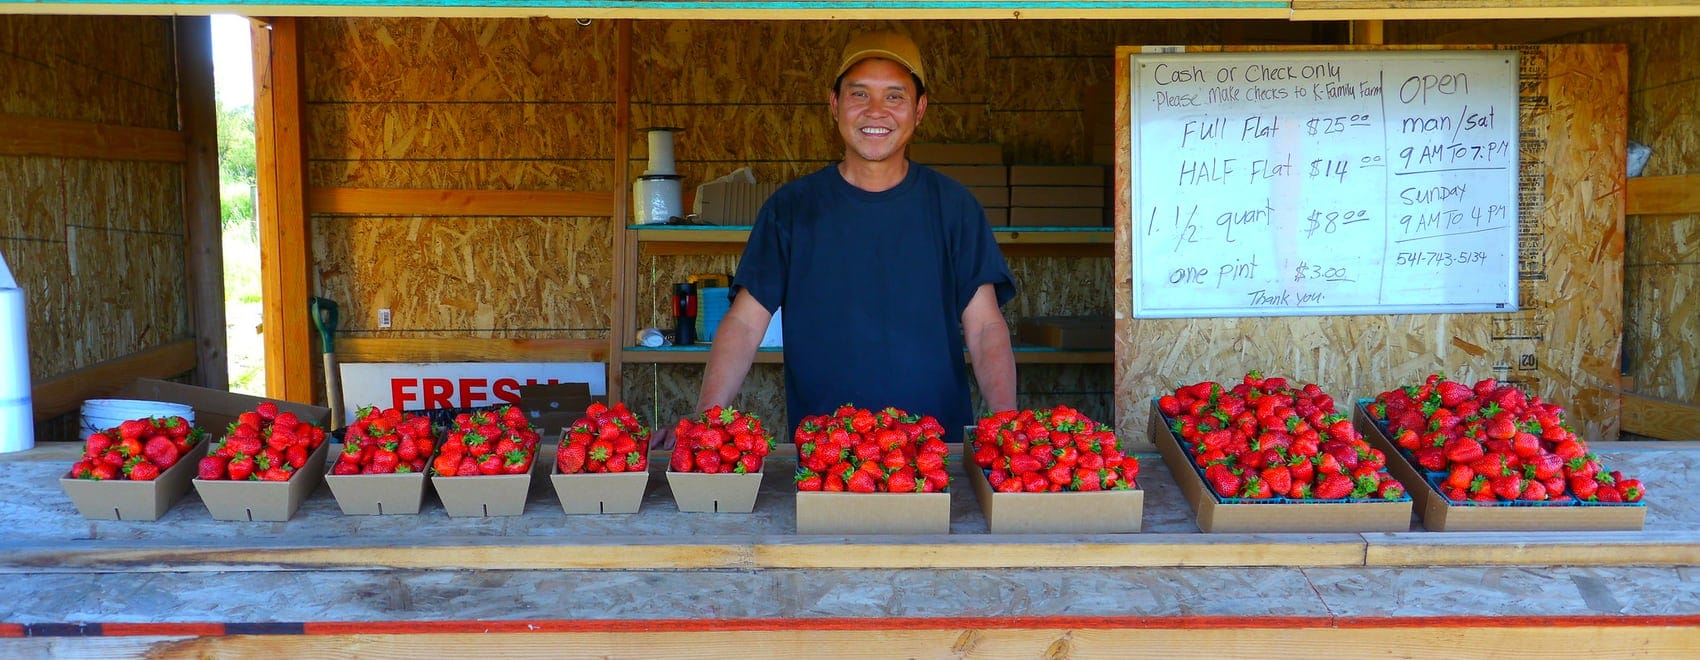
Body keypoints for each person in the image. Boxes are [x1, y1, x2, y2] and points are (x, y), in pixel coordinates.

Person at [693, 30, 1018, 443]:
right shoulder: (791, 209)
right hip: (826, 458)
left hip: (933, 458)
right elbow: (742, 322)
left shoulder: (954, 207)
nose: (876, 111)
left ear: (919, 109)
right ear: (834, 104)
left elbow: (986, 326)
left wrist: (1008, 423)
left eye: (895, 96)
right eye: (859, 94)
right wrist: (706, 419)